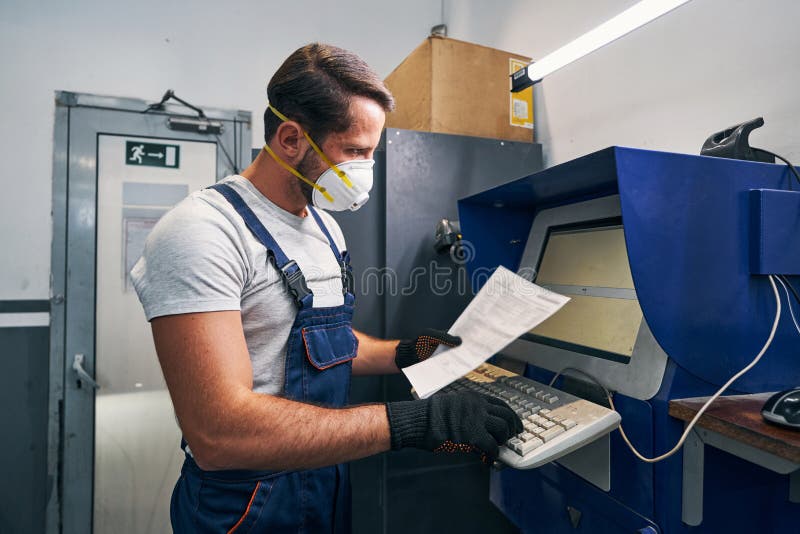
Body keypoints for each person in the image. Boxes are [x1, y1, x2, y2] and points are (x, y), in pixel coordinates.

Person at [132, 42, 521, 533]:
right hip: (245, 504)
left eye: (372, 153)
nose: (365, 171)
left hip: (324, 481)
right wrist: (416, 423)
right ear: (291, 138)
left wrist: (408, 352)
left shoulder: (325, 228)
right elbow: (218, 432)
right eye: (355, 151)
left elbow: (320, 342)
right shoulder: (203, 232)